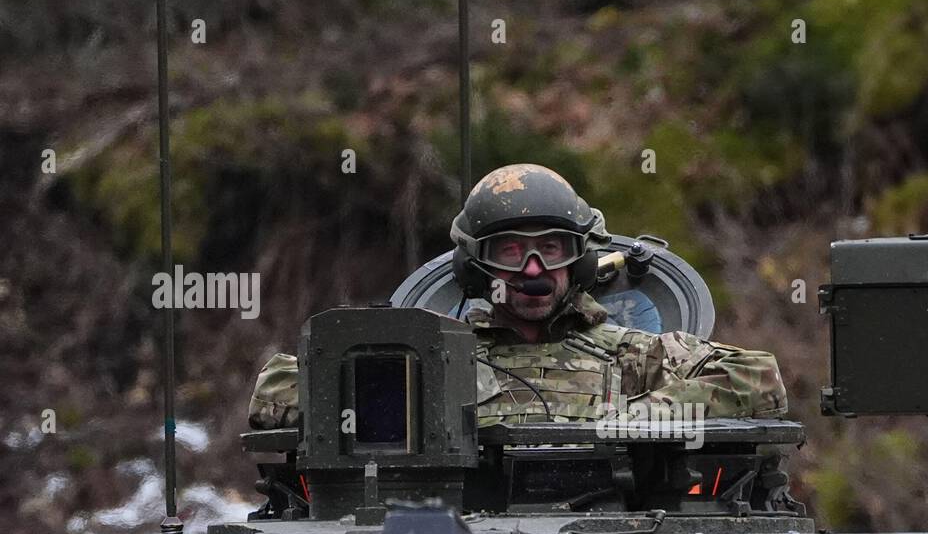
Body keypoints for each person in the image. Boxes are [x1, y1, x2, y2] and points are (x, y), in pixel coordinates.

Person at [249, 163, 787, 431]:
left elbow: (758, 378)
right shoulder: (435, 361)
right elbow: (277, 387)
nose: (534, 270)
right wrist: (397, 403)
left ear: (578, 259)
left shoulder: (636, 355)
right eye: (512, 252)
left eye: (551, 249)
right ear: (477, 265)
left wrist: (637, 420)